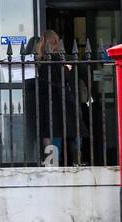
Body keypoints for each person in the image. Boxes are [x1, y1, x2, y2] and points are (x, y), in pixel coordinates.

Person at [37, 29, 91, 165]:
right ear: (57, 41)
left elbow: (41, 86)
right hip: (71, 100)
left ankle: (52, 163)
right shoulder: (71, 59)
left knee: (52, 133)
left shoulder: (42, 63)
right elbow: (87, 76)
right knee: (75, 133)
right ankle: (77, 162)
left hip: (50, 104)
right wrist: (91, 94)